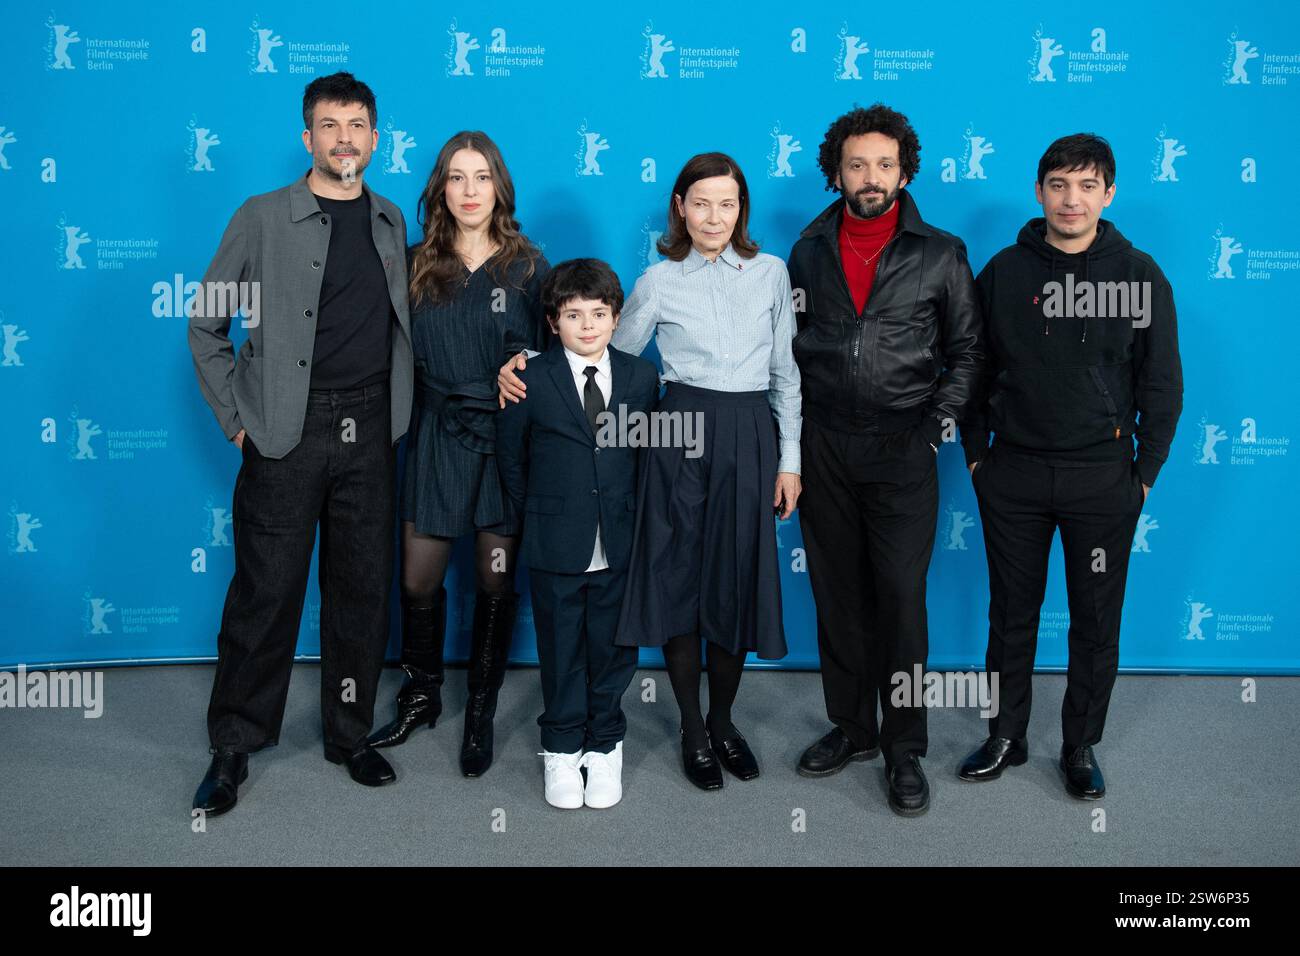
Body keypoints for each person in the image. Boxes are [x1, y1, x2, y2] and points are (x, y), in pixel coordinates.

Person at [501, 152, 802, 792]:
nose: (714, 216)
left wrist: (791, 461)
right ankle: (693, 730)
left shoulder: (773, 273)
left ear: (741, 208)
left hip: (750, 437)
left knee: (734, 584)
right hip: (677, 435)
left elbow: (786, 376)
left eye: (727, 203)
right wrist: (529, 360)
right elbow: (605, 350)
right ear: (680, 209)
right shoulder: (660, 280)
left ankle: (724, 723)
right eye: (701, 203)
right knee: (681, 585)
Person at [187, 72, 413, 815]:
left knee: (359, 591)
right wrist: (237, 419)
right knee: (266, 590)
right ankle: (234, 744)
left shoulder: (388, 221)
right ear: (307, 137)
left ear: (374, 140)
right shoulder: (259, 217)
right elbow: (207, 325)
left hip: (371, 430)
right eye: (329, 125)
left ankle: (351, 734)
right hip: (285, 431)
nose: (344, 138)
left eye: (356, 126)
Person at [957, 133, 1183, 799]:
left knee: (1095, 618)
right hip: (1015, 476)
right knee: (1011, 614)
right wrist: (977, 459)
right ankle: (1005, 734)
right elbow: (970, 371)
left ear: (1108, 194)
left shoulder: (1139, 275)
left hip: (1102, 480)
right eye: (1059, 184)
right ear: (1039, 191)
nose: (1071, 198)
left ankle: (1080, 744)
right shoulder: (1003, 271)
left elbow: (1162, 384)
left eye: (1087, 185)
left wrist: (1143, 477)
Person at [787, 104, 983, 817]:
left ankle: (905, 749)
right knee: (838, 597)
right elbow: (790, 352)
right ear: (835, 172)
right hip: (825, 445)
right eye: (856, 164)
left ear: (906, 170)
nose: (871, 178)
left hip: (904, 447)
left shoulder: (941, 252)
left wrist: (934, 428)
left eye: (884, 164)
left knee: (899, 600)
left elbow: (968, 353)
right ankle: (853, 729)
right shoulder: (807, 251)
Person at [367, 131, 550, 778]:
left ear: (499, 185)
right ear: (440, 188)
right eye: (456, 177)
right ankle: (421, 692)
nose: (469, 190)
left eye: (481, 177)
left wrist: (527, 360)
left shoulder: (528, 266)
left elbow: (558, 351)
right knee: (418, 576)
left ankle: (481, 704)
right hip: (437, 433)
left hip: (502, 442)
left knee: (495, 577)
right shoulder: (415, 262)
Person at [495, 258, 660, 809]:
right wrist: (534, 519)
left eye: (598, 313)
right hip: (554, 541)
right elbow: (512, 460)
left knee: (613, 649)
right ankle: (562, 749)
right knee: (561, 649)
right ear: (552, 320)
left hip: (619, 541)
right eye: (572, 314)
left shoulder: (640, 377)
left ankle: (604, 745)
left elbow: (642, 458)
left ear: (616, 318)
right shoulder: (529, 379)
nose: (587, 325)